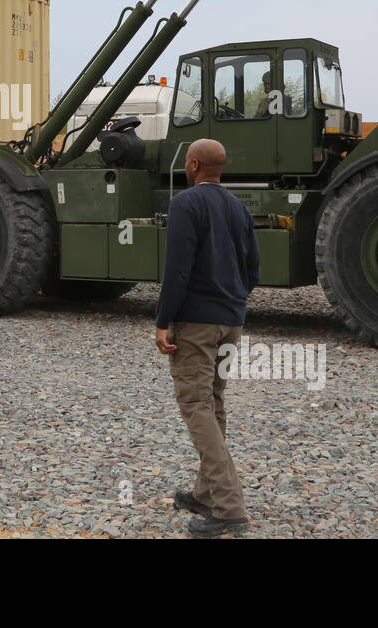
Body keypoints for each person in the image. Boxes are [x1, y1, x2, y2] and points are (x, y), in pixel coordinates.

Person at [155, 139, 259, 537]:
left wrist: (163, 320)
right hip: (232, 319)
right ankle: (205, 491)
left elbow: (177, 269)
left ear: (194, 164)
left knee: (195, 403)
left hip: (197, 322)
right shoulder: (237, 206)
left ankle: (229, 507)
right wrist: (232, 300)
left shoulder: (186, 203)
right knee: (213, 401)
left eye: (186, 161)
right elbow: (253, 267)